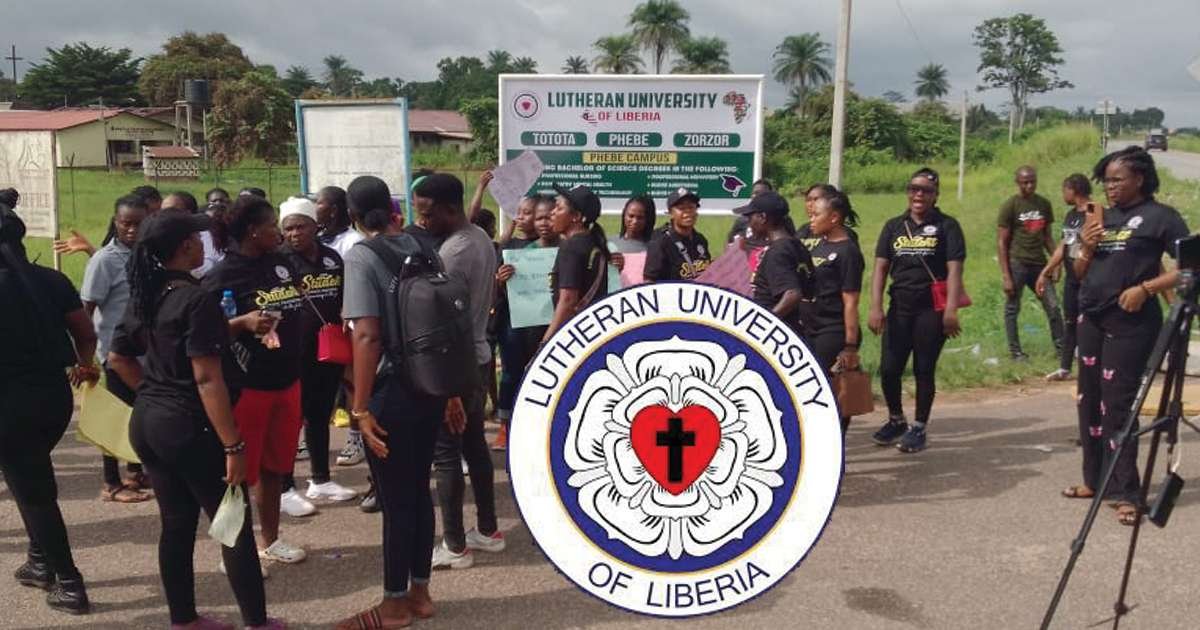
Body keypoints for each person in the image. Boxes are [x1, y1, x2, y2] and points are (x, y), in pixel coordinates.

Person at [108, 210, 283, 630]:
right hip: (191, 424)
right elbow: (207, 377)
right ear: (186, 246)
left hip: (150, 420)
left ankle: (183, 619)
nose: (205, 243)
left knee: (176, 523)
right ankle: (257, 623)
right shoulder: (196, 297)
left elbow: (118, 357)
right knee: (233, 525)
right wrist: (233, 445)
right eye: (198, 237)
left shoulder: (145, 294)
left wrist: (155, 392)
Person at [337, 174, 453, 628]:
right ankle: (421, 594)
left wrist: (360, 408)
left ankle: (394, 604)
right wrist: (450, 392)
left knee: (395, 500)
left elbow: (365, 335)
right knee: (418, 494)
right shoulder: (423, 247)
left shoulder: (362, 256)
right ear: (392, 207)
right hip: (429, 385)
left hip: (391, 391)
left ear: (353, 216)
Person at [1070, 146, 1188, 526]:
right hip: (1092, 318)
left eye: (1117, 179)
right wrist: (1086, 246)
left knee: (1118, 406)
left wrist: (1148, 288)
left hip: (1132, 323)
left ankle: (1127, 494)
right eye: (1105, 180)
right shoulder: (1099, 218)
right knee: (1088, 402)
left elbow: (1191, 269)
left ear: (1140, 178)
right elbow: (1077, 271)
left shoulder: (1161, 218)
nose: (1109, 187)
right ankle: (1094, 480)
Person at [201, 194, 308, 566]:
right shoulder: (221, 277)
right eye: (270, 226)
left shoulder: (281, 264)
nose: (277, 232)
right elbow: (204, 335)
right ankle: (234, 554)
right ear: (252, 231)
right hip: (247, 386)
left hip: (288, 382)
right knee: (239, 476)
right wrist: (241, 323)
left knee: (276, 469)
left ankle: (271, 540)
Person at [406, 173, 504, 570]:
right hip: (478, 359)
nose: (422, 220)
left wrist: (444, 389)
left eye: (427, 213)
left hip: (456, 367)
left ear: (450, 209)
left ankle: (455, 544)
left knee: (447, 455)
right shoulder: (479, 238)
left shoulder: (452, 255)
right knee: (474, 447)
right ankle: (488, 530)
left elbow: (446, 325)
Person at [0, 203, 94, 615]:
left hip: (8, 406)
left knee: (35, 493)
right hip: (54, 399)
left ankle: (70, 583)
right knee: (28, 478)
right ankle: (40, 562)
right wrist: (87, 364)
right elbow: (84, 331)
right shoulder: (50, 280)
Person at [867, 167, 966, 454]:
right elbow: (880, 268)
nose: (918, 195)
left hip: (931, 310)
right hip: (899, 307)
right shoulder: (893, 226)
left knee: (924, 369)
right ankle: (896, 419)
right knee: (889, 369)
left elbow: (954, 270)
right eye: (914, 189)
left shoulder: (948, 227)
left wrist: (951, 310)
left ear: (936, 195)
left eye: (926, 190)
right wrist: (875, 306)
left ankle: (919, 427)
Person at [277, 197, 358, 518]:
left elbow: (343, 298)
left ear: (315, 227)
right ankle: (284, 486)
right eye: (288, 228)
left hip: (327, 351)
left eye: (300, 227)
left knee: (319, 414)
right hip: (290, 353)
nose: (294, 233)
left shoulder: (331, 258)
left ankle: (320, 479)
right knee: (289, 420)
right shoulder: (278, 262)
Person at [80, 195, 151, 503]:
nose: (133, 230)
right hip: (114, 352)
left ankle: (135, 471)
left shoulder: (147, 256)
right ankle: (111, 482)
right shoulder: (105, 260)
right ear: (116, 223)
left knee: (139, 412)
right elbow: (86, 308)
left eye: (139, 224)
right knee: (116, 415)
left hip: (145, 350)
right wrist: (85, 357)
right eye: (127, 224)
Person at [805, 193, 865, 432]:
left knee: (837, 392)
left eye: (817, 214)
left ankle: (836, 443)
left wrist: (850, 346)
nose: (811, 219)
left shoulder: (848, 252)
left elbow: (851, 301)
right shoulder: (819, 245)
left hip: (834, 330)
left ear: (834, 218)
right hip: (812, 327)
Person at [492, 195, 547, 449]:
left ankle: (537, 424)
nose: (523, 218)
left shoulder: (551, 247)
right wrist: (501, 280)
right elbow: (494, 289)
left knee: (538, 370)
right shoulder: (508, 248)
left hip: (543, 322)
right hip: (512, 319)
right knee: (511, 372)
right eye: (520, 212)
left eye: (529, 213)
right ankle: (505, 426)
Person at [997, 165, 1064, 360]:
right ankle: (1016, 352)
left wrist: (1056, 263)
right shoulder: (1010, 205)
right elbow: (1001, 242)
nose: (1029, 185)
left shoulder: (1044, 204)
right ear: (1018, 183)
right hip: (1017, 263)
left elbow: (1048, 238)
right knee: (1012, 309)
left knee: (1053, 306)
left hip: (1039, 266)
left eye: (1032, 181)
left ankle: (1062, 350)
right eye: (1025, 182)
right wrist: (1006, 275)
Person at [1038, 174, 1093, 381]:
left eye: (1065, 190)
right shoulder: (1071, 215)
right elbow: (1064, 245)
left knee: (1088, 321)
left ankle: (1091, 364)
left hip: (1089, 277)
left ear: (1075, 190)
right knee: (1070, 320)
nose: (1063, 194)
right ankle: (1065, 367)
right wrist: (1048, 269)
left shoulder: (1094, 212)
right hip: (1072, 277)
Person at [543, 184, 610, 341]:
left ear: (576, 217)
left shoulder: (571, 248)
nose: (552, 213)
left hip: (573, 335)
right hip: (592, 332)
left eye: (558, 208)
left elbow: (568, 300)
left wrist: (546, 342)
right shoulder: (593, 242)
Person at [743, 191, 814, 336]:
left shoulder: (777, 252)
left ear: (763, 217)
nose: (749, 223)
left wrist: (764, 324)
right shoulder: (797, 245)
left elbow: (792, 294)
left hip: (779, 333)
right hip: (796, 327)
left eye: (750, 217)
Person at [644, 187, 710, 282]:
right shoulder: (660, 241)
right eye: (681, 208)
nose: (687, 212)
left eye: (691, 207)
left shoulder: (700, 240)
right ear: (671, 212)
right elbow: (649, 280)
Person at [796, 184, 857, 250]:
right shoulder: (804, 230)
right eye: (808, 200)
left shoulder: (844, 236)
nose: (811, 204)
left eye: (816, 199)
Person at [724, 178, 776, 245]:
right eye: (754, 193)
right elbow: (730, 243)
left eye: (761, 193)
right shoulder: (742, 220)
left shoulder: (778, 220)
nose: (755, 196)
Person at [316, 186, 363, 258]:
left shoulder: (353, 242)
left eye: (318, 203)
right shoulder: (317, 236)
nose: (314, 208)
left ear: (333, 210)